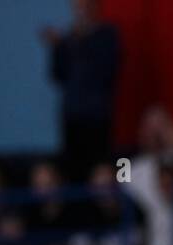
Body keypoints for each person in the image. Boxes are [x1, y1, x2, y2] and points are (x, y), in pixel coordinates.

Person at [42, 0, 121, 177]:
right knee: (73, 169)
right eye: (77, 7)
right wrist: (56, 48)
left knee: (99, 169)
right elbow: (58, 75)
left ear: (95, 7)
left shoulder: (108, 35)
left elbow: (107, 71)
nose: (80, 12)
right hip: (72, 115)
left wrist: (75, 42)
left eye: (85, 6)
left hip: (97, 115)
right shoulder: (69, 39)